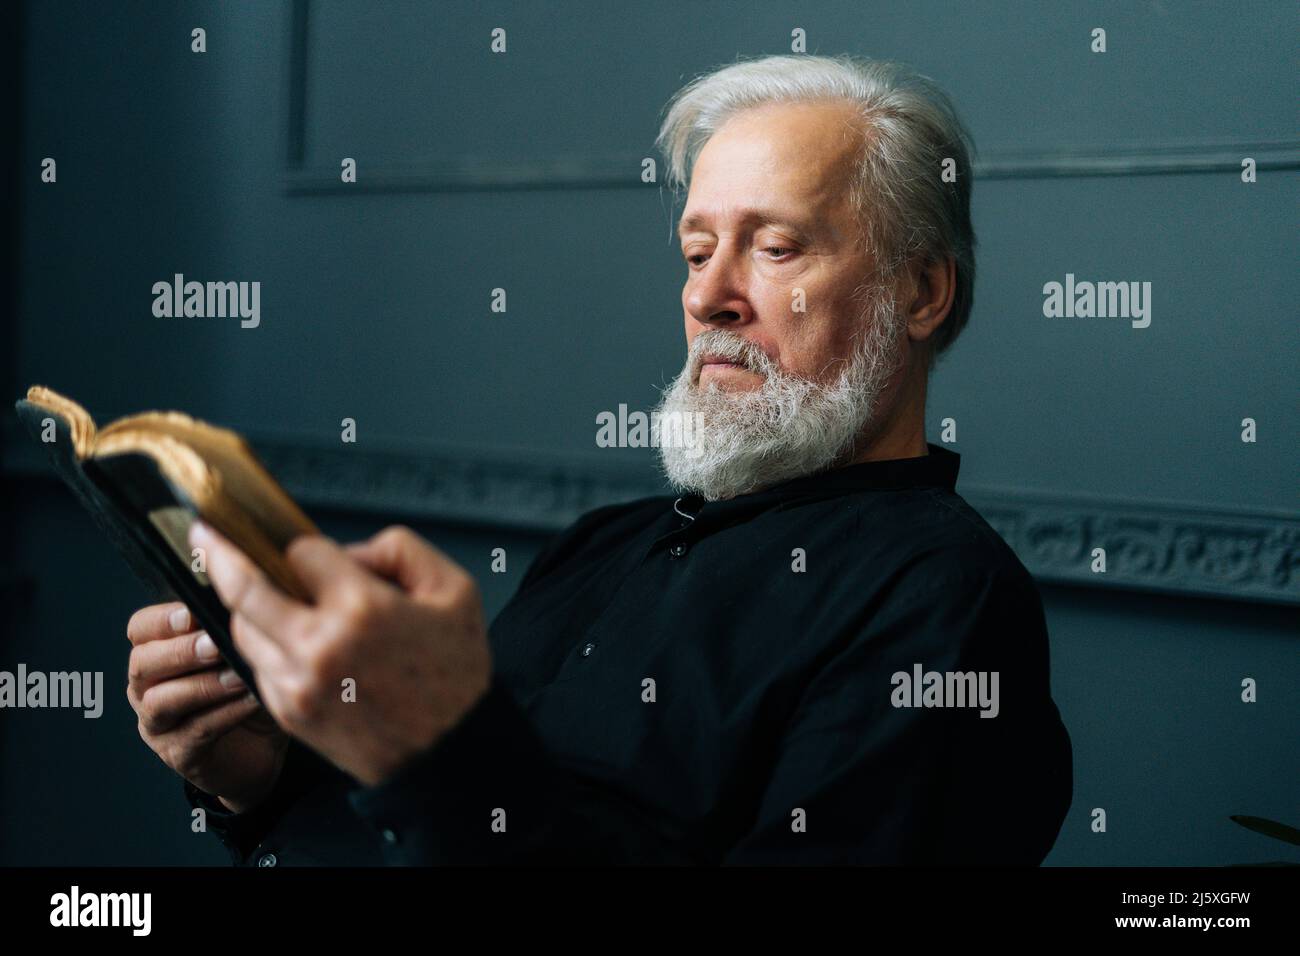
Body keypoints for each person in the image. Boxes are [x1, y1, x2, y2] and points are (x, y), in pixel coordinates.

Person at [125, 54, 1072, 865]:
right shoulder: (598, 545)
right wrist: (263, 780)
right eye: (697, 252)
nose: (711, 298)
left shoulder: (944, 603)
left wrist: (435, 758)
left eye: (775, 247)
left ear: (922, 291)